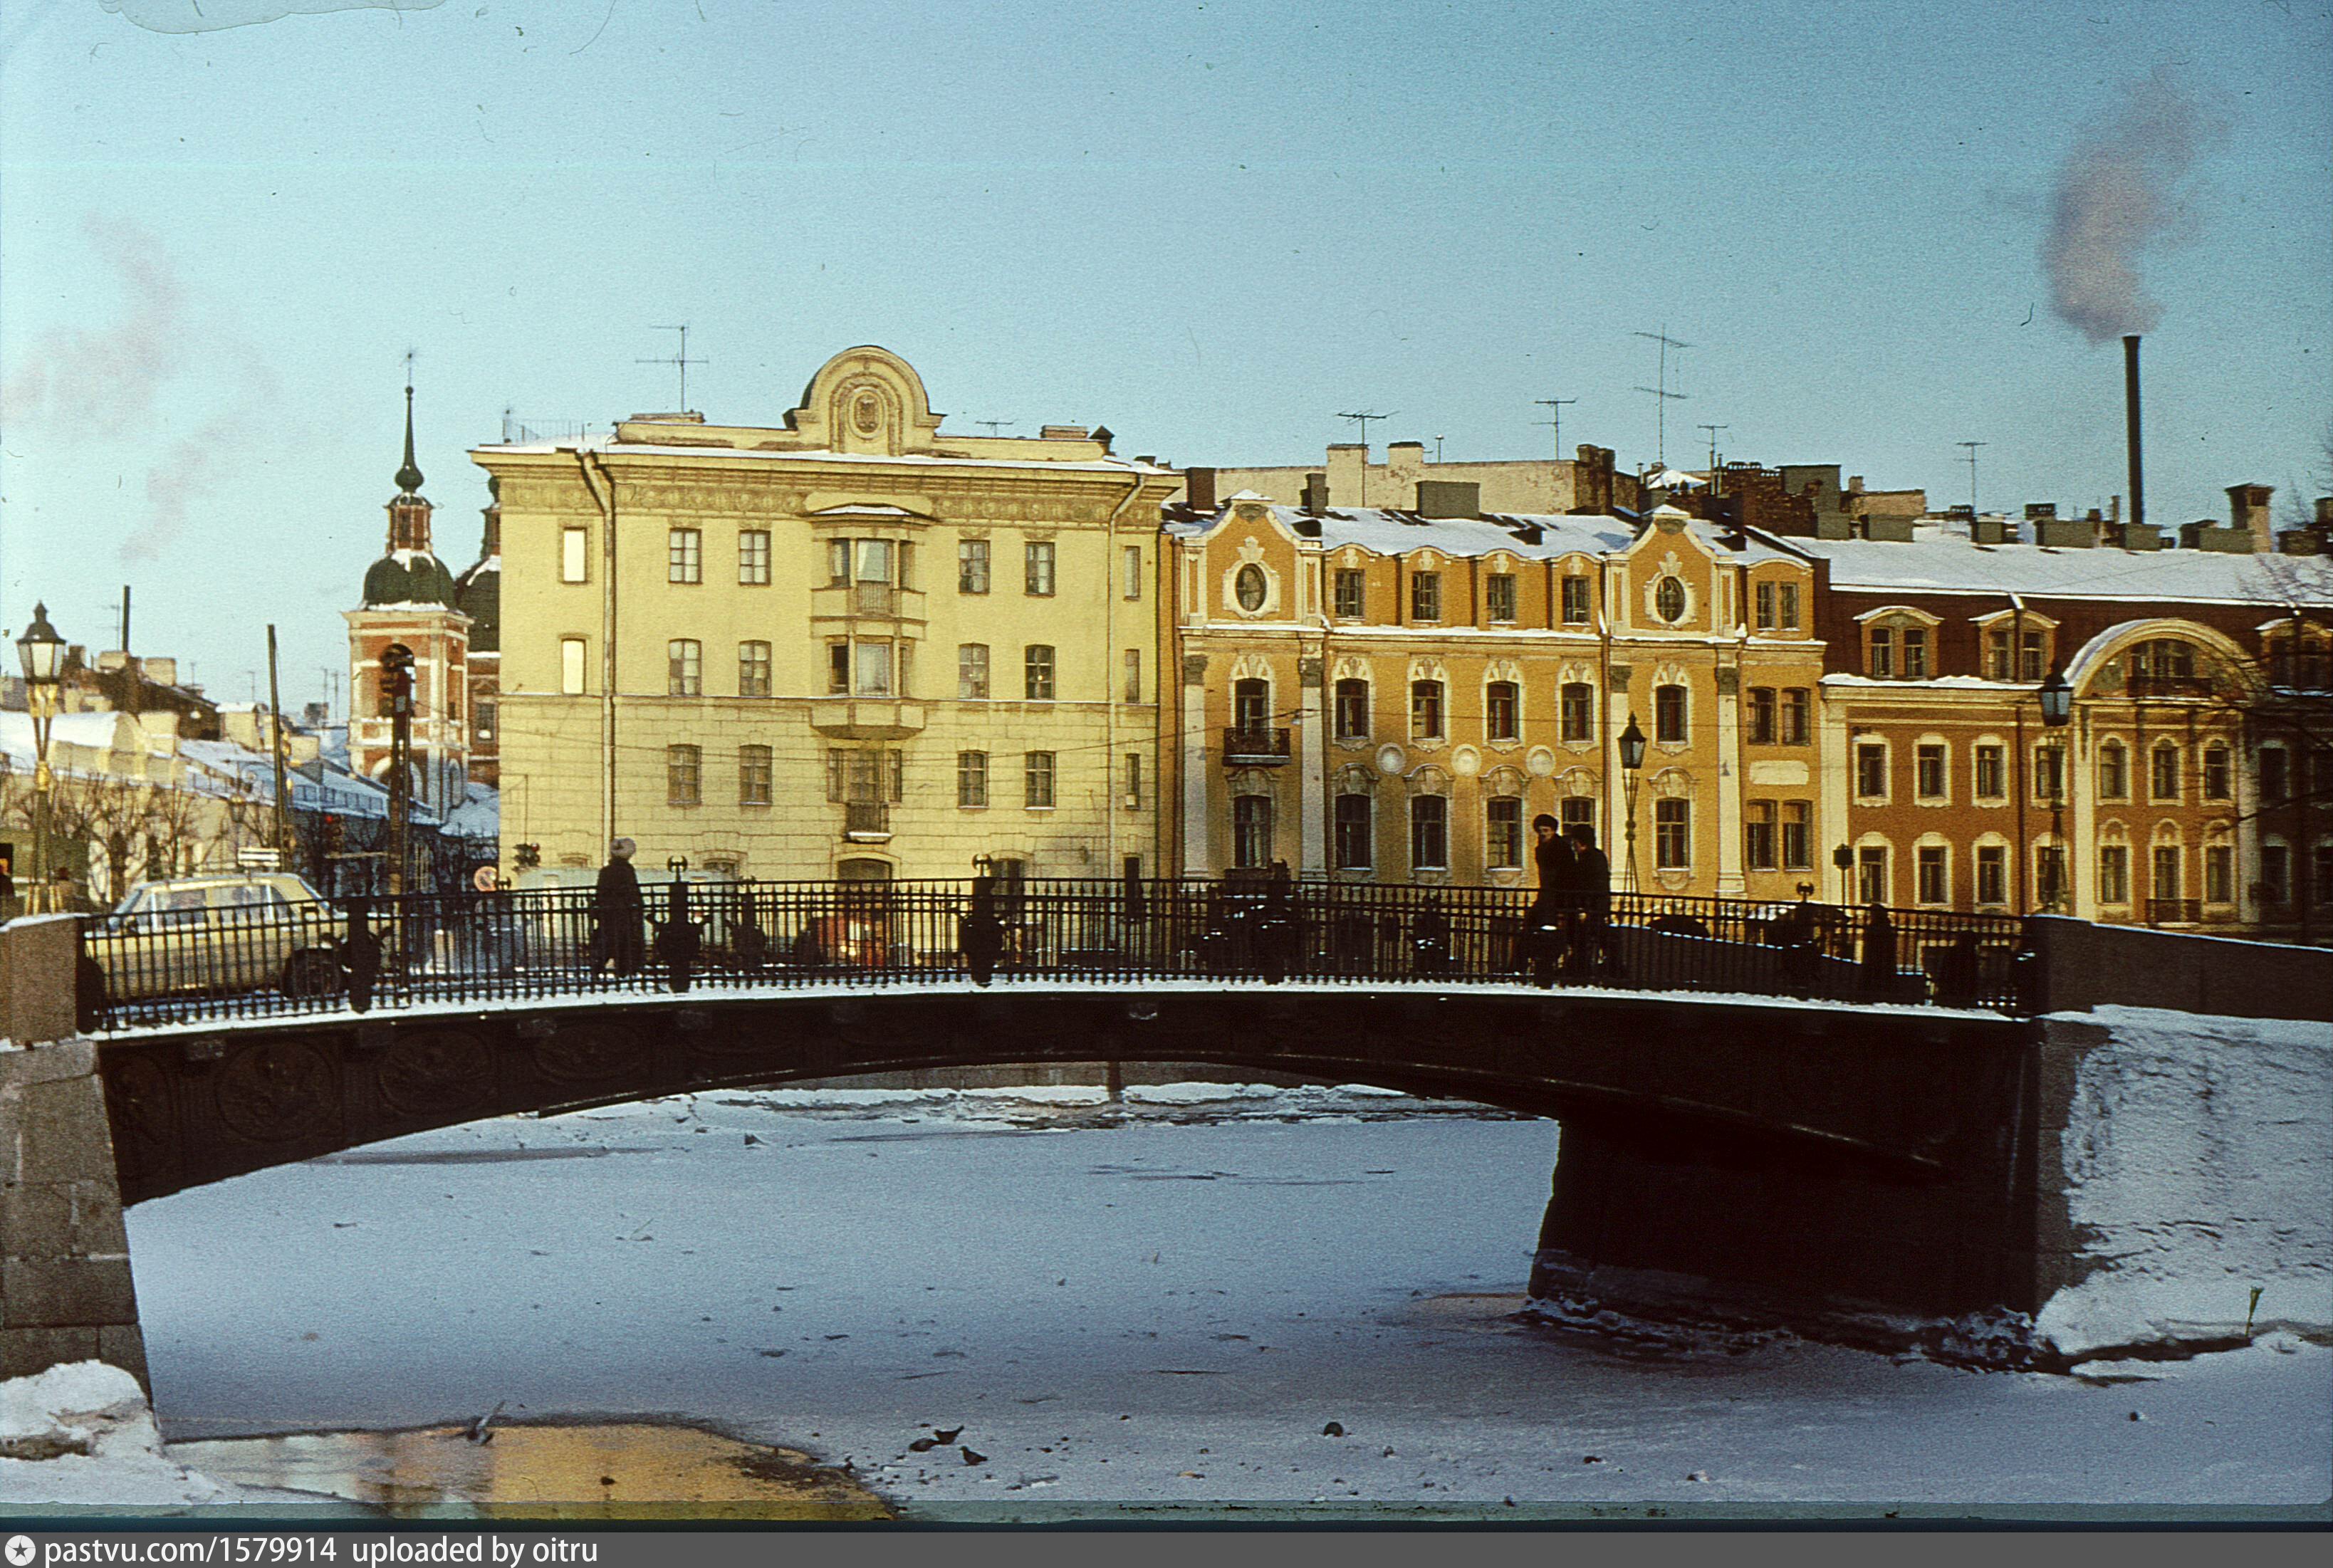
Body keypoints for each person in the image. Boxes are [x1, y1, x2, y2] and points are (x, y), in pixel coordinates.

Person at [1523, 815, 1575, 986]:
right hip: (1546, 895)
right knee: (1533, 928)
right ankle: (1525, 966)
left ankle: (1543, 971)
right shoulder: (1543, 847)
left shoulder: (1561, 849)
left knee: (1549, 934)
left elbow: (1565, 876)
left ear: (1553, 831)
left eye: (1546, 831)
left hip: (1556, 897)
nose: (1543, 834)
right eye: (1540, 831)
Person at [590, 838, 645, 978]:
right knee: (624, 942)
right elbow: (632, 892)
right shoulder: (627, 871)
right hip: (623, 913)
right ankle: (624, 971)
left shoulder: (606, 871)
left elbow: (601, 892)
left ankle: (599, 969)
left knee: (608, 943)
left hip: (609, 913)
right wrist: (637, 907)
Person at [1566, 823, 1614, 977]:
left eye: (1575, 843)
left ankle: (1582, 970)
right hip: (1596, 906)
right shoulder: (1594, 857)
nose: (1574, 846)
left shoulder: (1589, 859)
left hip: (1592, 907)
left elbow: (1590, 885)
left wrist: (1584, 908)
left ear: (1582, 843)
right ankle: (1585, 968)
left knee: (1585, 939)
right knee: (1592, 939)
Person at [960, 869, 1005, 987]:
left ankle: (981, 974)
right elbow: (998, 937)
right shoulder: (987, 905)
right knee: (983, 959)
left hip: (979, 945)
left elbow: (966, 938)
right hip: (984, 945)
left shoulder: (976, 921)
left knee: (981, 959)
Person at [1860, 899, 1898, 995]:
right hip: (1882, 959)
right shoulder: (1885, 925)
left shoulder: (1878, 926)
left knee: (1875, 977)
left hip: (1877, 958)